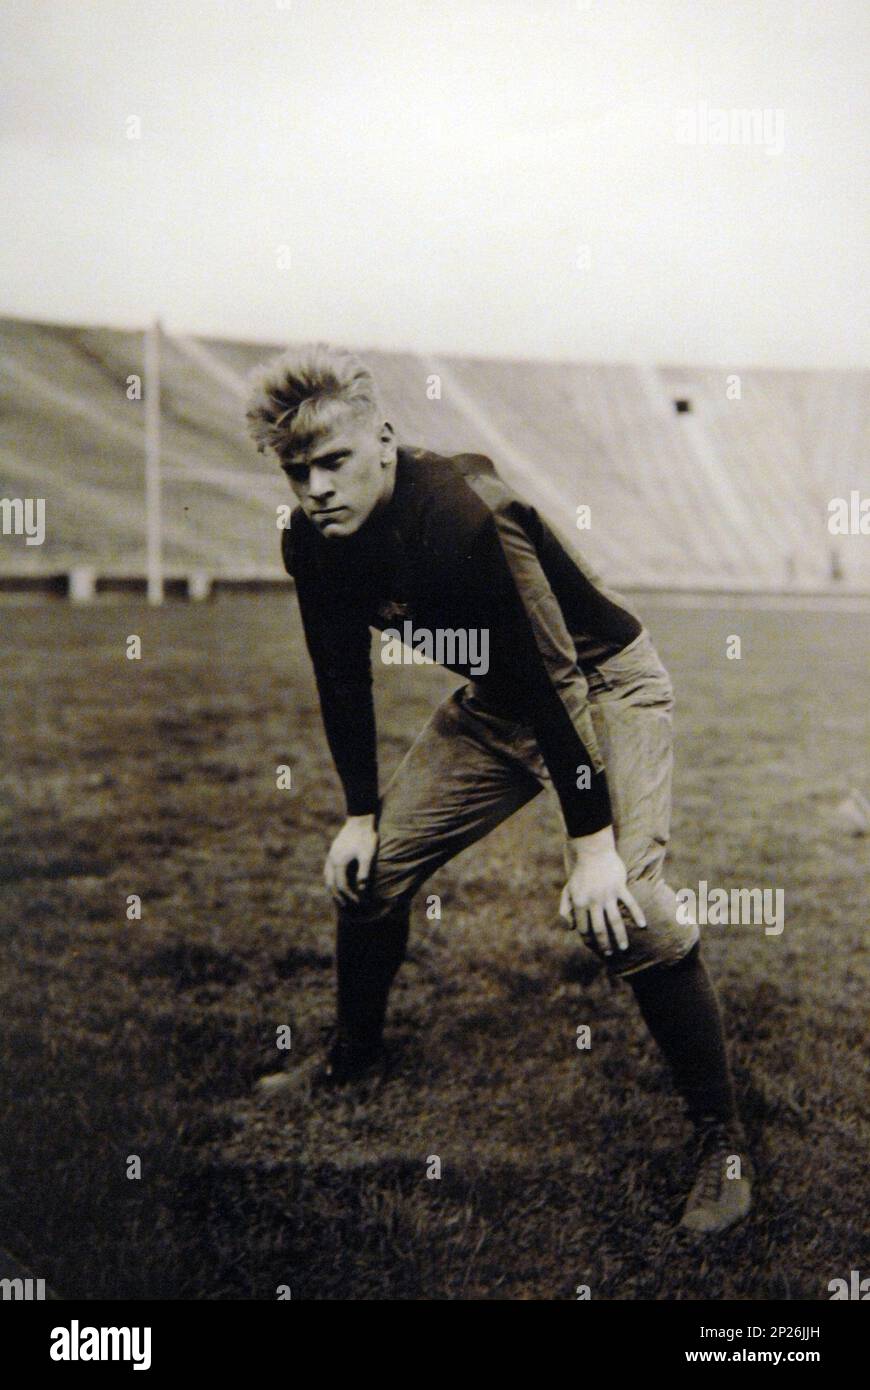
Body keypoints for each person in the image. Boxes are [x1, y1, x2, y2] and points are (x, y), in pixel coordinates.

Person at [246, 343, 752, 1235]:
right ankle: (355, 1055)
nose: (317, 487)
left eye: (334, 461)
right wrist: (360, 814)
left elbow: (561, 679)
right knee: (372, 875)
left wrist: (592, 846)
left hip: (600, 686)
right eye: (299, 472)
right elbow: (340, 675)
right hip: (498, 699)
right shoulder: (309, 540)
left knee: (629, 903)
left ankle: (724, 1137)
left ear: (385, 443)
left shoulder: (466, 515)